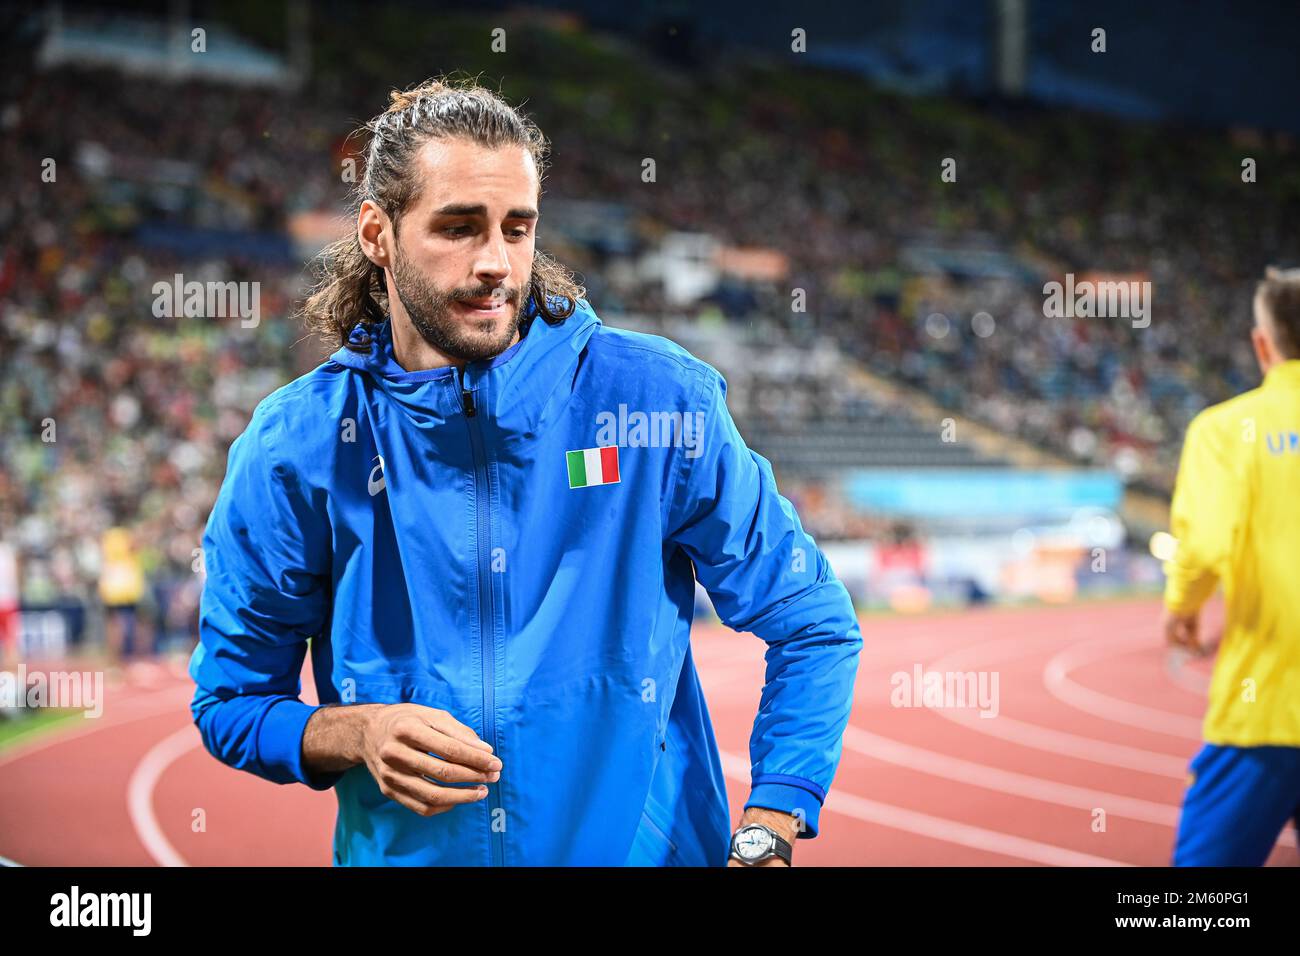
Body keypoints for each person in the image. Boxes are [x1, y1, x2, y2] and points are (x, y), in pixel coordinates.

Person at [189, 77, 862, 867]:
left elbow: (813, 618)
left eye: (517, 228)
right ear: (377, 233)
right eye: (458, 228)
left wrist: (772, 818)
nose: (496, 264)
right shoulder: (295, 445)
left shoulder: (654, 402)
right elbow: (231, 703)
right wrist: (353, 731)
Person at [1164, 266, 1300, 865]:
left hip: (1265, 709)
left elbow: (1203, 548)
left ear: (1261, 344)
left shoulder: (1224, 432)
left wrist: (1182, 610)